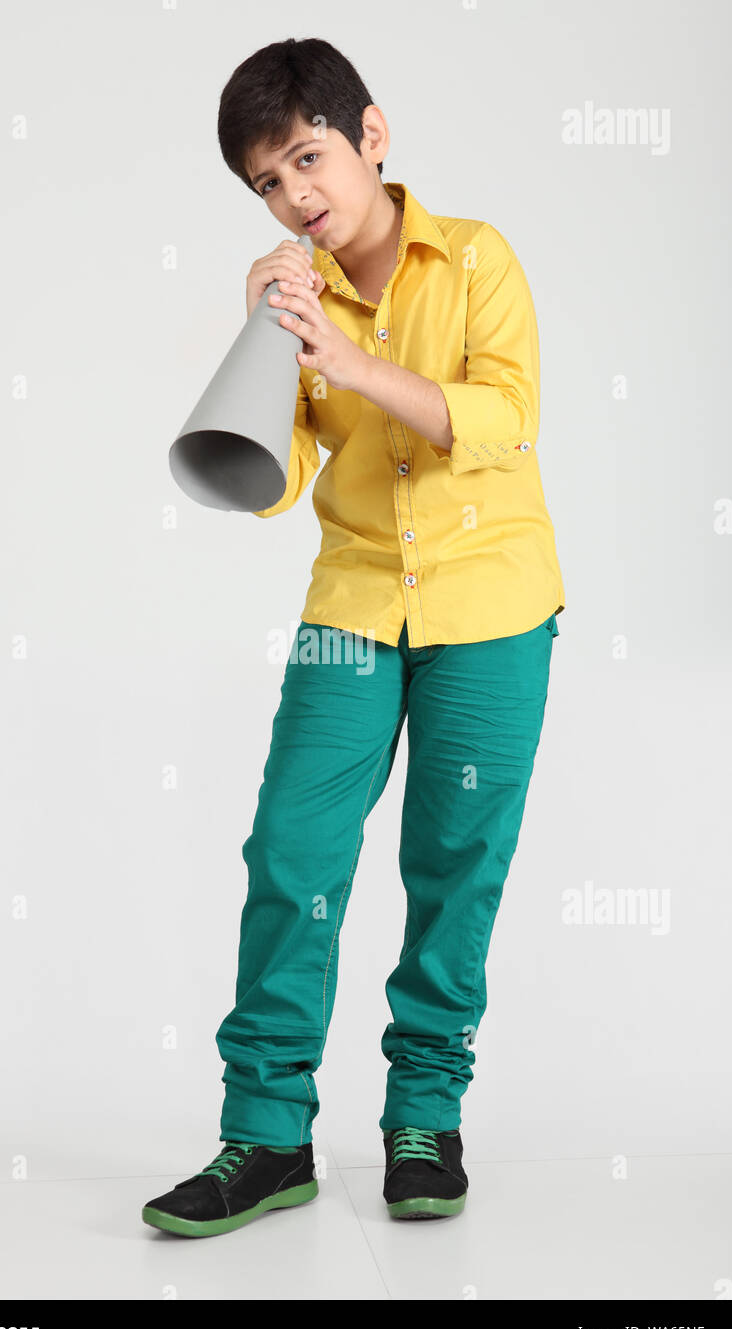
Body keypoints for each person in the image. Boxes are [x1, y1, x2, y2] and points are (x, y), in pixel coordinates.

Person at [142, 36, 565, 1239]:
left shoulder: (476, 257)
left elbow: (500, 421)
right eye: (268, 184)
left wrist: (353, 360)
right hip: (351, 607)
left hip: (491, 606)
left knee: (451, 860)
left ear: (370, 135)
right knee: (292, 848)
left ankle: (422, 1119)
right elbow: (271, 489)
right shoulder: (296, 294)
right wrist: (270, 345)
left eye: (308, 159)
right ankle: (265, 1137)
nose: (295, 199)